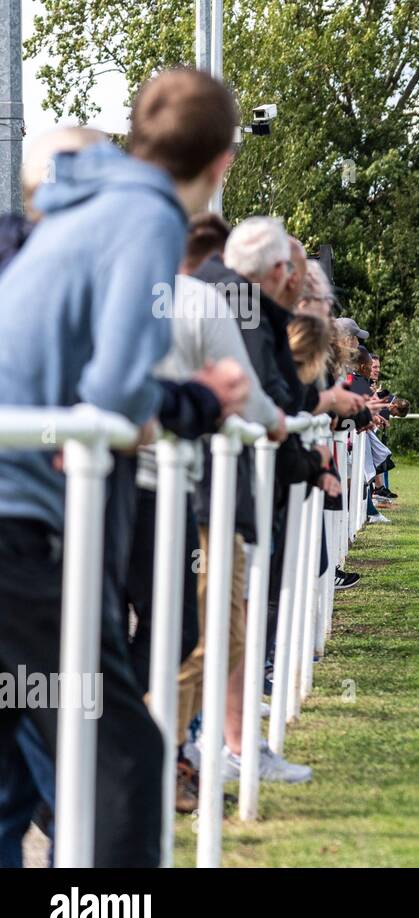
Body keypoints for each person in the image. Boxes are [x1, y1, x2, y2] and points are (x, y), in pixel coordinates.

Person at [0, 67, 240, 867]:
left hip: (21, 505)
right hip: (17, 522)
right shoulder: (145, 215)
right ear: (224, 162)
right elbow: (110, 398)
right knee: (123, 758)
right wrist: (201, 402)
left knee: (10, 772)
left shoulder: (87, 204)